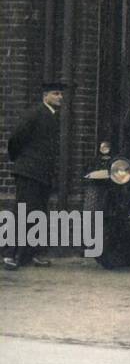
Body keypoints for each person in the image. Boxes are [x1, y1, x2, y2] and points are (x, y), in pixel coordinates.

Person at [5, 80, 64, 269]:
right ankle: (10, 255)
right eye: (56, 93)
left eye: (60, 94)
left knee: (38, 214)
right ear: (45, 96)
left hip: (42, 173)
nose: (60, 97)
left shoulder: (52, 115)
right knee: (23, 212)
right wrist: (22, 162)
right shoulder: (35, 114)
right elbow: (15, 138)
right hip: (29, 173)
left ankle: (33, 254)